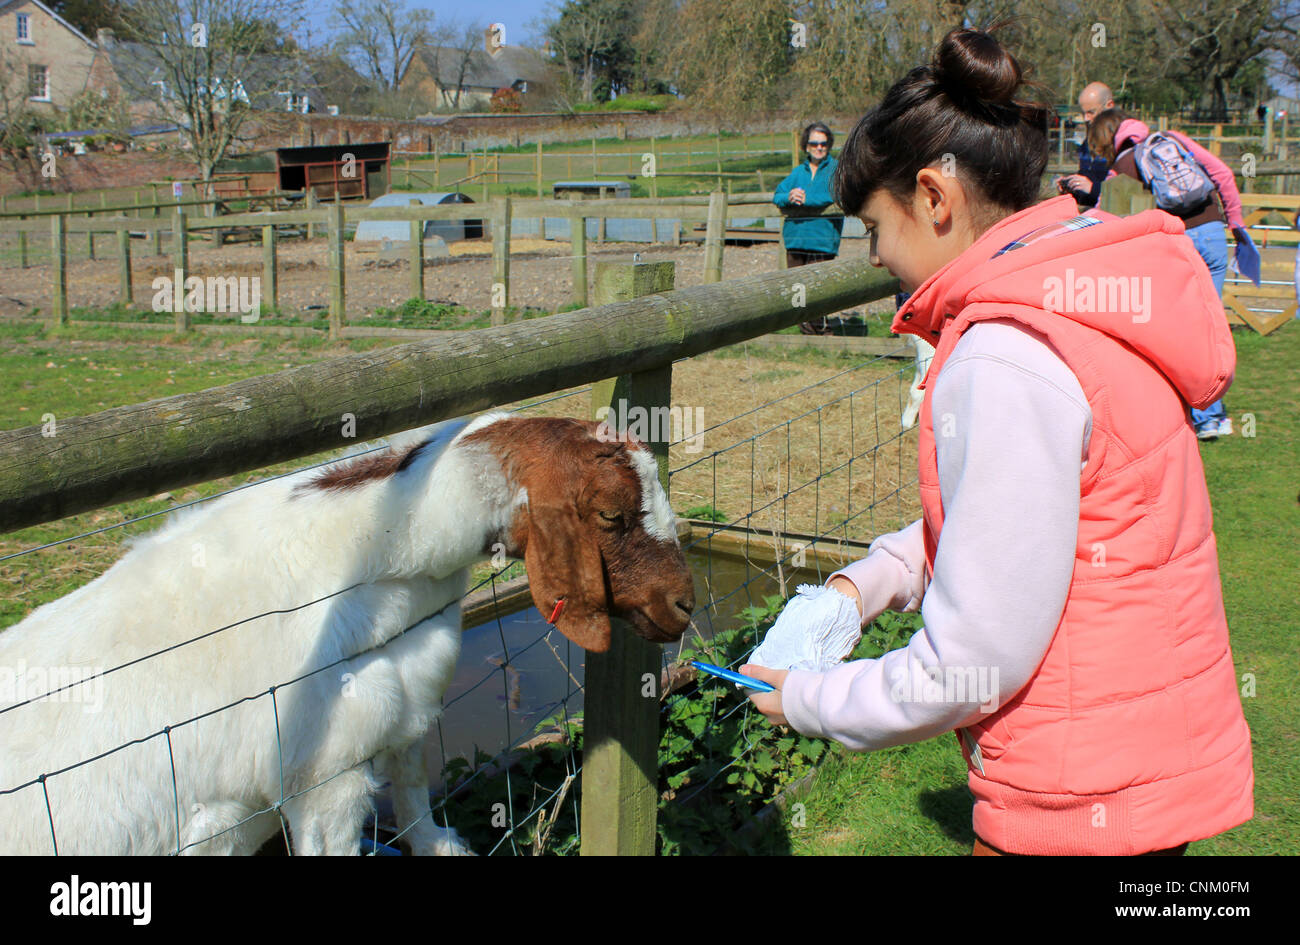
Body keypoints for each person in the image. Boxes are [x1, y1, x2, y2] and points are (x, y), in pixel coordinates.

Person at [740, 26, 1253, 856]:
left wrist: (812, 698)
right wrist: (867, 583)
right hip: (1140, 760)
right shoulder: (1081, 295)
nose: (875, 255)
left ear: (935, 199)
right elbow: (1028, 522)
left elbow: (970, 662)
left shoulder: (1007, 354)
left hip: (1071, 796)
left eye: (875, 225)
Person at [1088, 109, 1244, 439]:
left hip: (1180, 242)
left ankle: (1201, 415)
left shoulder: (1123, 167)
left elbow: (1104, 215)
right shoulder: (1173, 139)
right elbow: (1223, 173)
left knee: (1185, 331)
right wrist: (1237, 222)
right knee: (1211, 326)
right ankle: (1214, 414)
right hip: (1213, 233)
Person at [774, 122, 845, 334]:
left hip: (822, 240)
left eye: (823, 144)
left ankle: (822, 332)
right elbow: (777, 195)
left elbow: (836, 193)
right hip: (796, 239)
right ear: (806, 146)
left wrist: (806, 199)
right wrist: (789, 197)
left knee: (819, 290)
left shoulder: (836, 170)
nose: (819, 148)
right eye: (814, 143)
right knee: (798, 291)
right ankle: (807, 334)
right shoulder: (797, 173)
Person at [1054, 82, 1114, 209]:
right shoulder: (1088, 142)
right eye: (1083, 113)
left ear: (1109, 106)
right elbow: (1087, 184)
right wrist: (1072, 187)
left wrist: (1093, 189)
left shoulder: (1126, 143)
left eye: (1091, 112)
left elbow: (1129, 191)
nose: (1086, 118)